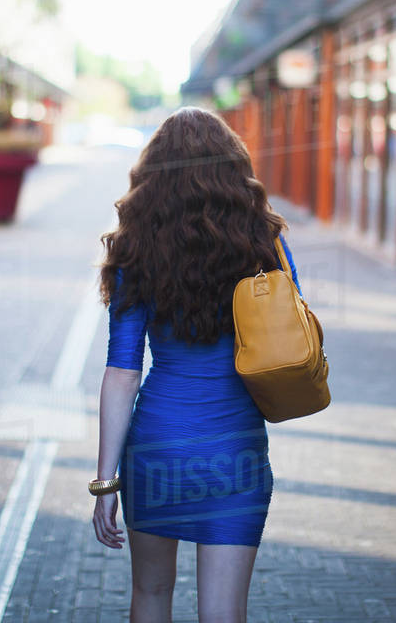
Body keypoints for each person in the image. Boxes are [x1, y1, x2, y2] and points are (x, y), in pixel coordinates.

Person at [92, 106, 301, 622]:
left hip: (157, 447)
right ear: (234, 168)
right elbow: (286, 328)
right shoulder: (263, 242)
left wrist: (105, 483)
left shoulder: (134, 248)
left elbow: (122, 370)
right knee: (225, 614)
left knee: (151, 594)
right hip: (236, 451)